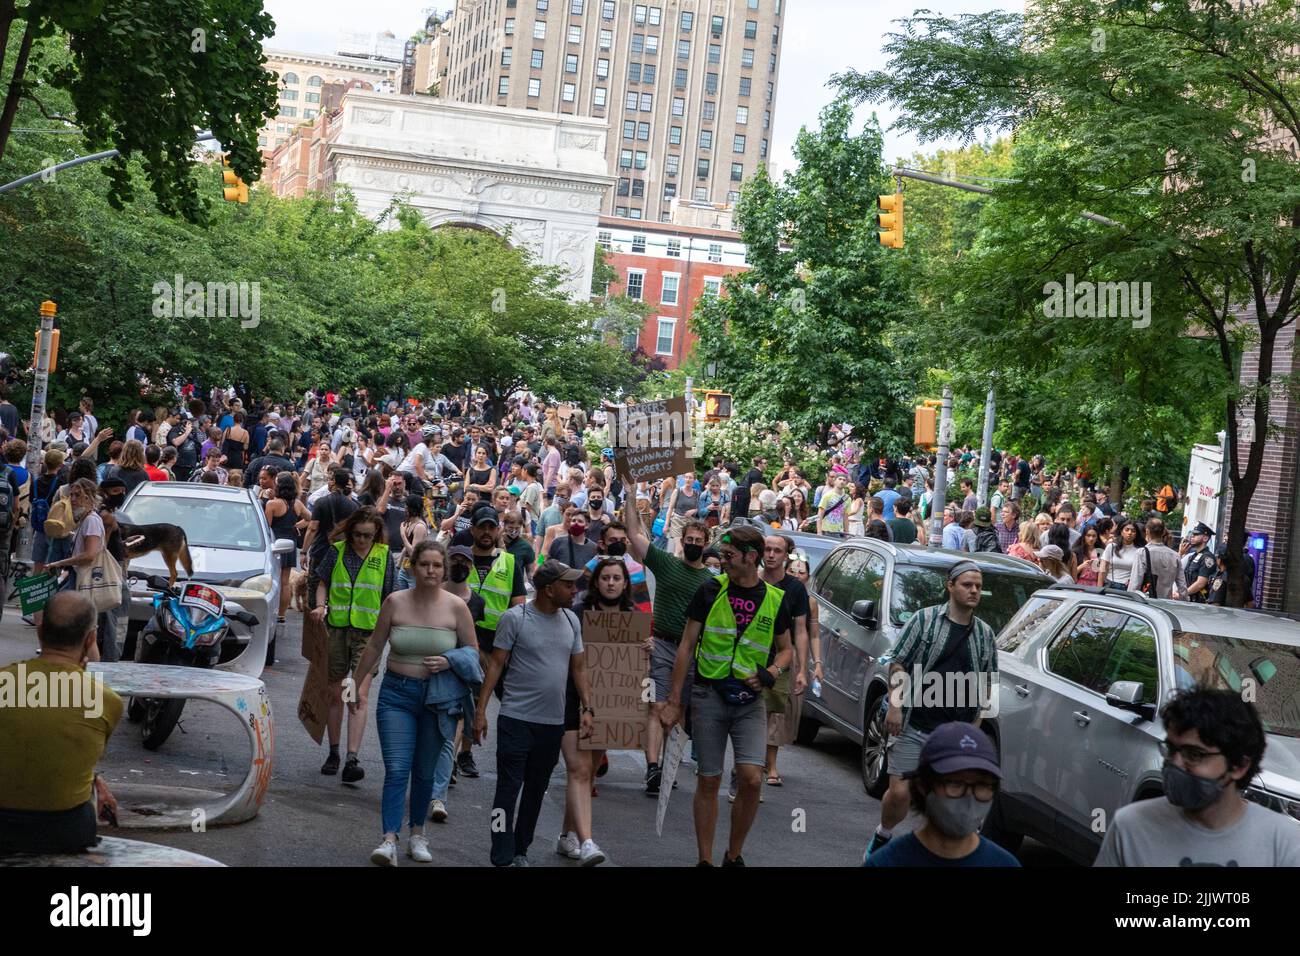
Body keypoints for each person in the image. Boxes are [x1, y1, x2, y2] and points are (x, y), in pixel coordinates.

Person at [660, 525, 793, 866]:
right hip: (709, 695)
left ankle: (734, 855)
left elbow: (786, 651)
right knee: (709, 778)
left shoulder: (776, 599)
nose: (723, 561)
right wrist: (674, 701)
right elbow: (687, 645)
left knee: (750, 779)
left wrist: (771, 673)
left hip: (750, 703)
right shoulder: (709, 590)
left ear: (751, 558)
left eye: (730, 556)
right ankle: (705, 860)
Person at [350, 540, 478, 865]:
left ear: (443, 569)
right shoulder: (395, 602)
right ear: (413, 566)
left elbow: (473, 653)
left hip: (438, 699)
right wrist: (354, 683)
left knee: (423, 772)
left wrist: (450, 661)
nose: (431, 571)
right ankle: (389, 839)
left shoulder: (456, 608)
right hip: (396, 695)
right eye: (424, 565)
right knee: (396, 769)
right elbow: (375, 645)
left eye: (437, 565)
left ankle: (417, 834)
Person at [867, 561, 998, 858]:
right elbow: (899, 660)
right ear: (950, 586)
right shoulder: (923, 620)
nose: (974, 590)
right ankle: (883, 835)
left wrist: (976, 725)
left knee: (956, 797)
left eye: (978, 586)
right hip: (916, 723)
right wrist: (895, 705)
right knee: (900, 793)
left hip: (958, 733)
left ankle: (954, 854)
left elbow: (990, 680)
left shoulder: (984, 633)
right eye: (967, 584)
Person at [1096, 687, 1300, 866]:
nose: (1175, 764)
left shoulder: (1284, 844)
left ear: (1239, 766)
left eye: (1194, 755)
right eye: (1171, 749)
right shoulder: (1130, 826)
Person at [477, 560, 593, 867]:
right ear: (548, 589)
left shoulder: (571, 620)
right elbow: (496, 666)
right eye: (568, 585)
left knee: (535, 791)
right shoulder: (516, 618)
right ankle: (501, 852)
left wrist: (588, 707)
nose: (573, 590)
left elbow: (579, 667)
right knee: (507, 789)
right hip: (515, 719)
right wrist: (481, 711)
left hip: (552, 724)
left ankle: (520, 849)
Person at [0, 592, 123, 854]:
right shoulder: (106, 700)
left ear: (41, 630)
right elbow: (71, 753)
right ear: (90, 639)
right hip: (65, 830)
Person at [622, 497, 715, 796]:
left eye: (698, 540)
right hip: (660, 646)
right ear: (681, 540)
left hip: (692, 655)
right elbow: (634, 535)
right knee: (656, 706)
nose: (692, 544)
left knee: (679, 711)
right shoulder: (666, 564)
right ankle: (652, 768)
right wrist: (631, 495)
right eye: (688, 539)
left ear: (705, 543)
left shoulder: (712, 582)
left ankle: (668, 766)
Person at [557, 557, 635, 866]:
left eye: (617, 578)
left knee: (587, 772)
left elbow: (635, 667)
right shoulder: (577, 614)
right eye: (606, 578)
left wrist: (646, 648)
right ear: (596, 582)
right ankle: (587, 841)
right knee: (578, 769)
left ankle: (567, 836)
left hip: (609, 702)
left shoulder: (632, 617)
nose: (612, 583)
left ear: (625, 583)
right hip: (570, 700)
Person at [311, 507, 396, 783]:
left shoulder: (384, 556)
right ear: (350, 532)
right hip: (336, 630)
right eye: (357, 535)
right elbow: (322, 582)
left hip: (368, 636)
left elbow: (389, 597)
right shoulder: (336, 551)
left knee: (356, 694)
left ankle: (352, 759)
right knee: (336, 695)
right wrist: (319, 606)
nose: (361, 540)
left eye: (367, 536)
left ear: (376, 535)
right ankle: (334, 752)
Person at [863, 722, 1019, 867]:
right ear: (923, 785)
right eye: (955, 783)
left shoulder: (1004, 864)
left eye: (982, 785)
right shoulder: (886, 863)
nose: (969, 797)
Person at [457, 505, 527, 778]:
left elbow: (518, 605)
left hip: (496, 643)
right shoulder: (460, 559)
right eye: (481, 527)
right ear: (472, 529)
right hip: (463, 639)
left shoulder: (510, 563)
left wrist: (514, 644)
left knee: (479, 699)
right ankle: (453, 755)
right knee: (460, 696)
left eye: (491, 527)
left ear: (497, 531)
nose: (486, 532)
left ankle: (465, 753)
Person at [754, 534, 810, 793]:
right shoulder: (751, 579)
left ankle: (771, 764)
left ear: (786, 555)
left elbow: (801, 629)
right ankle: (752, 763)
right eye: (767, 549)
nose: (771, 555)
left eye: (777, 550)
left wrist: (803, 669)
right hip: (751, 654)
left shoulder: (795, 589)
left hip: (781, 656)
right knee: (752, 713)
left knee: (775, 712)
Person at [266, 472, 310, 663]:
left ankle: (271, 611)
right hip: (290, 543)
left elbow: (267, 526)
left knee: (270, 580)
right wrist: (296, 525)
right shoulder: (297, 504)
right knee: (285, 582)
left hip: (275, 543)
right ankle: (282, 615)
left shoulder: (272, 504)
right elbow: (310, 518)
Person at [1128, 517, 1180, 598]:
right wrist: (1184, 600)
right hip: (1167, 601)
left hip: (1147, 601)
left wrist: (1130, 598)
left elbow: (1135, 581)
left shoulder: (1142, 552)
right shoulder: (1175, 555)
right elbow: (1181, 584)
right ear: (1163, 532)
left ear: (1147, 531)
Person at [1099, 516, 1144, 589]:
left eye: (1133, 531)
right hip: (1109, 584)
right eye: (1127, 530)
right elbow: (1102, 569)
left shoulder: (1139, 551)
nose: (1129, 533)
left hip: (1128, 587)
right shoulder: (1111, 547)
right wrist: (1099, 588)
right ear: (1121, 532)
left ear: (1136, 534)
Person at [395, 494, 429, 591]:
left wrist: (402, 535)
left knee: (412, 600)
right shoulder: (410, 523)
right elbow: (406, 548)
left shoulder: (419, 527)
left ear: (411, 508)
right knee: (401, 597)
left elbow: (413, 552)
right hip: (405, 569)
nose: (405, 509)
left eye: (406, 506)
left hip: (414, 572)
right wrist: (398, 564)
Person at [1182, 522, 1218, 603]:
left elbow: (1201, 583)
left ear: (1205, 538)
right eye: (1192, 534)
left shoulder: (1207, 558)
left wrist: (1182, 594)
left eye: (1196, 535)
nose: (1192, 536)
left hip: (1199, 602)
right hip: (1189, 599)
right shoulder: (1193, 556)